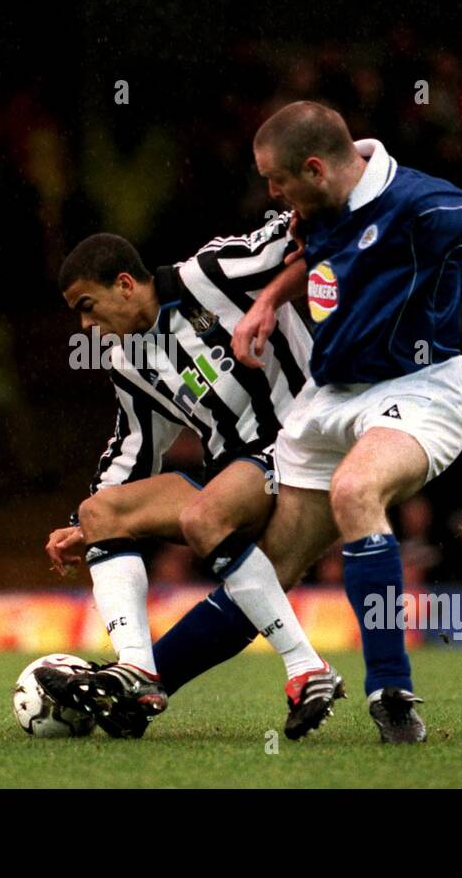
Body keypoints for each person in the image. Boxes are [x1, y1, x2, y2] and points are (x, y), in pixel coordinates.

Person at [228, 101, 462, 741]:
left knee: (356, 491)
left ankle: (391, 689)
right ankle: (146, 679)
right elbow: (317, 255)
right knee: (263, 565)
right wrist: (267, 300)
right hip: (333, 395)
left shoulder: (418, 202)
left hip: (416, 387)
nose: (271, 193)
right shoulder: (326, 203)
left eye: (275, 179)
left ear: (312, 169)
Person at [39, 217, 341, 739]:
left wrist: (307, 202)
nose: (86, 328)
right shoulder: (125, 357)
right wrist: (77, 525)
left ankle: (306, 666)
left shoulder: (211, 274)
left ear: (126, 284)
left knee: (206, 517)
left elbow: (289, 238)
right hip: (235, 472)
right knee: (100, 512)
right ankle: (136, 671)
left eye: (87, 307)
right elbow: (137, 449)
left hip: (303, 439)